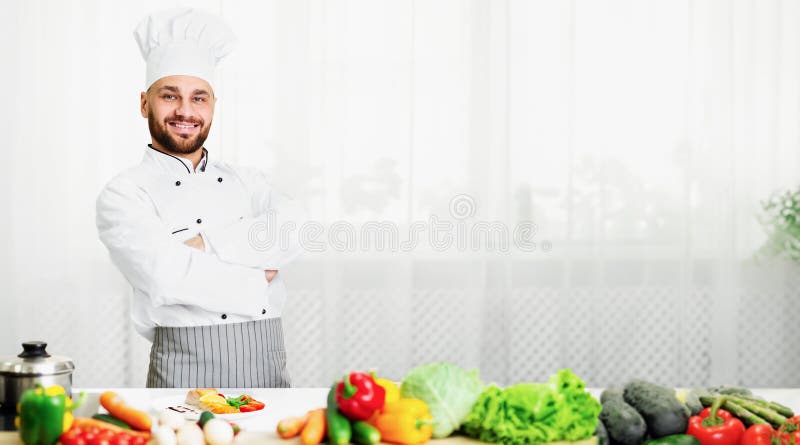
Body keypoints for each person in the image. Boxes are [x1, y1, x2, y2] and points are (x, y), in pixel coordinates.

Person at [95, 8, 305, 388]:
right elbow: (167, 278)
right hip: (182, 371)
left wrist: (204, 246)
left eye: (199, 98)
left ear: (213, 105)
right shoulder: (124, 194)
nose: (185, 111)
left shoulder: (248, 181)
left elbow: (296, 230)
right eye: (169, 96)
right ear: (144, 103)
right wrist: (259, 276)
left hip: (267, 365)